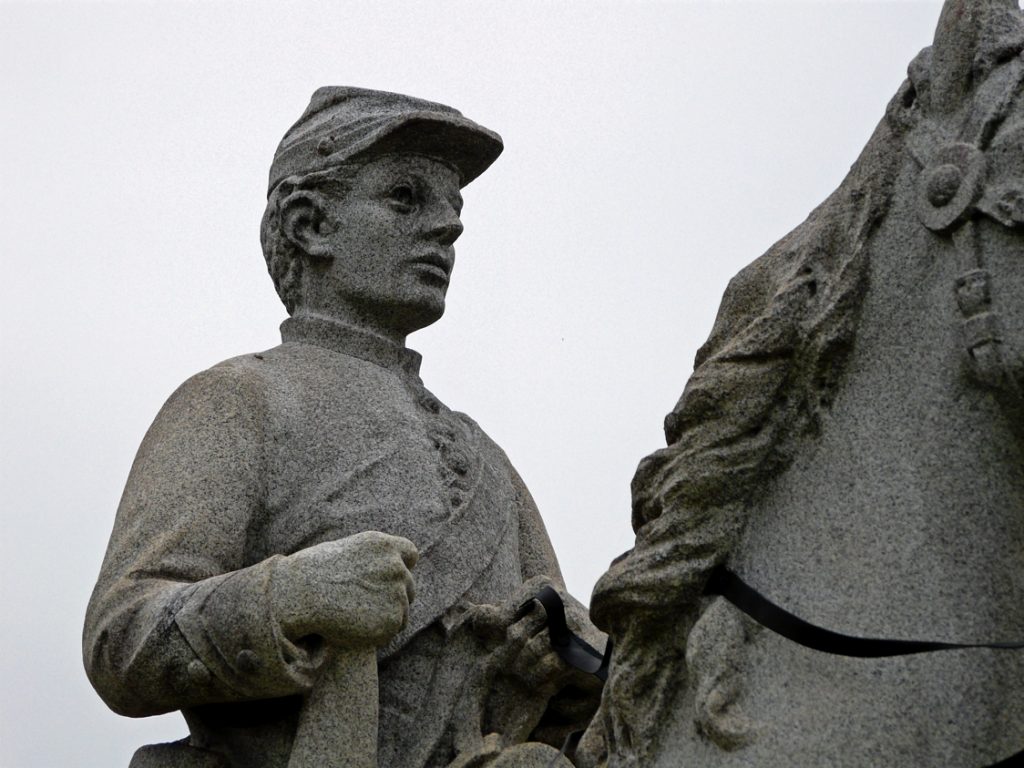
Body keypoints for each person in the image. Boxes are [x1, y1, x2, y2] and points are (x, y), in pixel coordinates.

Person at [84, 87, 603, 768]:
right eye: (406, 198)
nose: (448, 227)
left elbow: (562, 705)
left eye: (454, 209)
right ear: (309, 225)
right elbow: (121, 640)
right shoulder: (238, 400)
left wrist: (557, 670)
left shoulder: (488, 463)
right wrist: (289, 598)